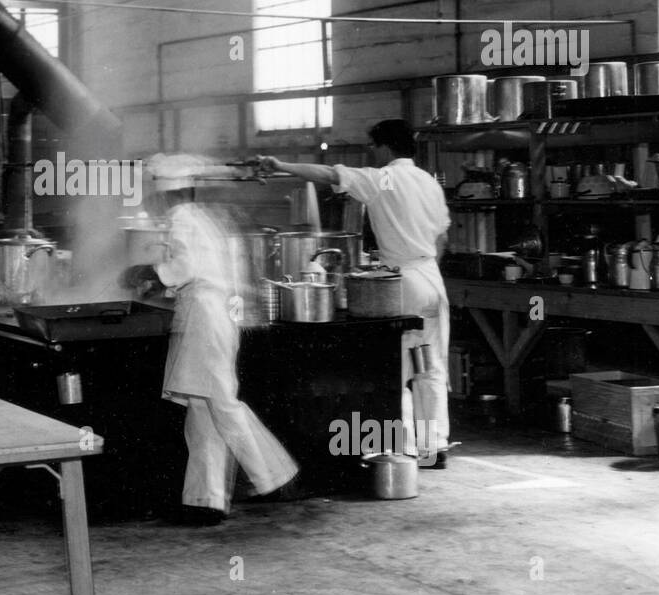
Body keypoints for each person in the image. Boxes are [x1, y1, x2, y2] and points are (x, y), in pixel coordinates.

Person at [259, 119, 453, 466]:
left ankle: (406, 449)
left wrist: (281, 165)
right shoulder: (429, 182)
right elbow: (442, 239)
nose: (371, 153)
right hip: (432, 276)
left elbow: (330, 174)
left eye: (372, 147)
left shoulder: (382, 178)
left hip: (402, 280)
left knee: (398, 365)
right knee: (432, 364)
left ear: (384, 148)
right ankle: (435, 446)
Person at [123, 154, 299, 525]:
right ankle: (206, 501)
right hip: (210, 316)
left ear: (165, 194)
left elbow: (186, 267)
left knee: (220, 403)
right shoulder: (200, 218)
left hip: (206, 319)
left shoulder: (182, 218)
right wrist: (159, 277)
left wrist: (148, 271)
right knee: (202, 412)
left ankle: (275, 476)